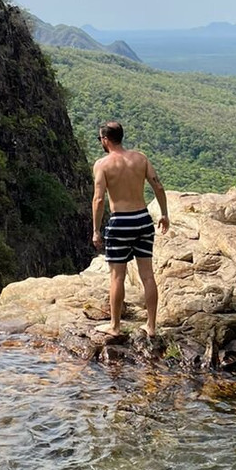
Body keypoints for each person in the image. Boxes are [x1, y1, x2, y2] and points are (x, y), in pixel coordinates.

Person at [91, 120, 169, 337]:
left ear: (106, 140)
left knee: (117, 276)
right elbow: (158, 185)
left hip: (120, 222)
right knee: (147, 275)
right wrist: (164, 214)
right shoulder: (140, 158)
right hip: (143, 220)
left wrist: (96, 230)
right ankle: (151, 326)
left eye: (100, 139)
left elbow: (98, 200)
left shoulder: (103, 165)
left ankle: (115, 326)